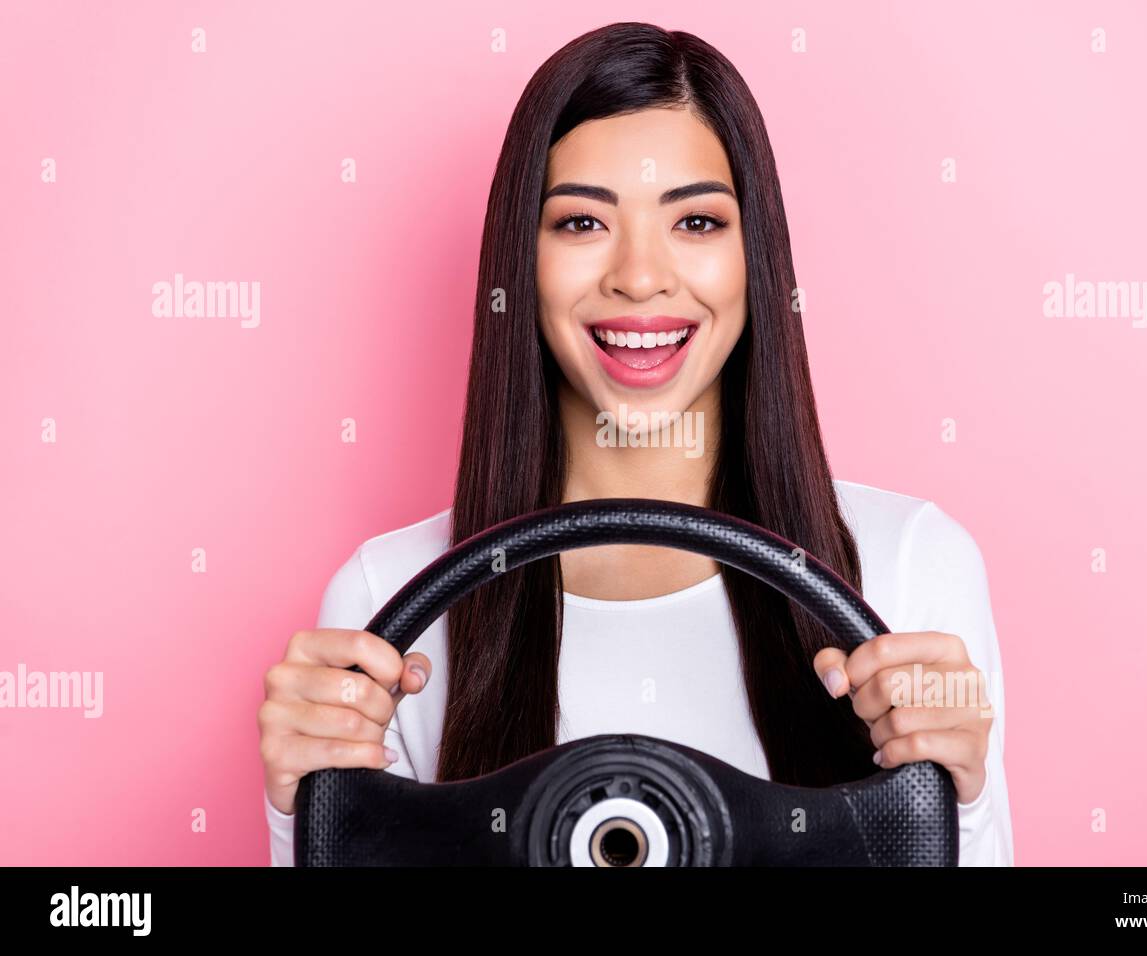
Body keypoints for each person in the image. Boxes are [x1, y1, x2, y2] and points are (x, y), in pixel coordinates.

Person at [257, 21, 1013, 867]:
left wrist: (961, 800)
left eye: (696, 222)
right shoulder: (390, 602)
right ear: (523, 258)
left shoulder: (909, 566)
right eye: (582, 224)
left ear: (754, 257)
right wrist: (304, 813)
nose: (641, 275)